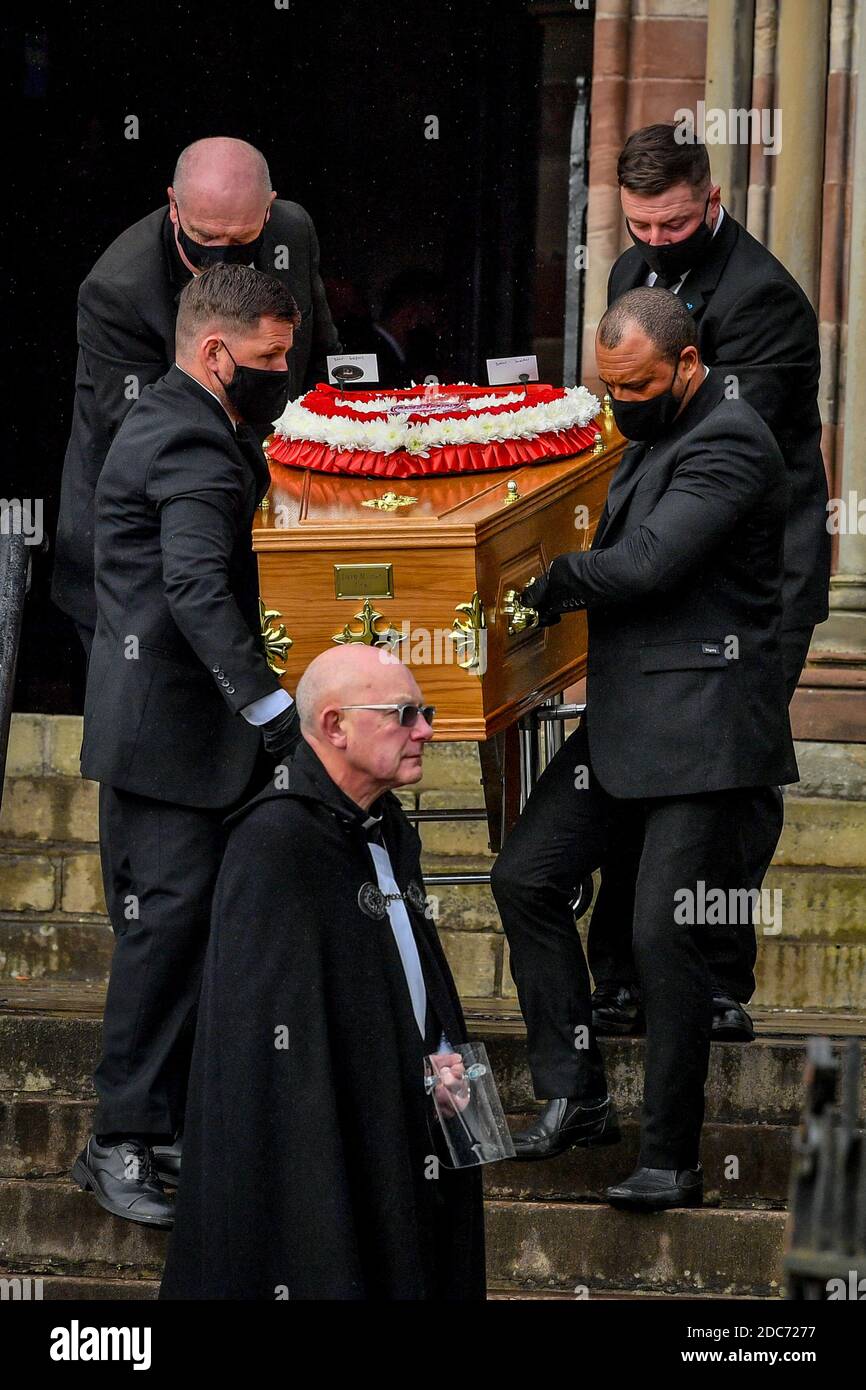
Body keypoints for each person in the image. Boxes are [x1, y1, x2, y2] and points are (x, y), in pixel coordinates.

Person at [490, 288, 797, 1211]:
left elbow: (653, 561)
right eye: (609, 385)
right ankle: (577, 1093)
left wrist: (548, 580)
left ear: (689, 367)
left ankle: (672, 1156)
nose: (620, 400)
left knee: (666, 936)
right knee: (525, 877)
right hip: (627, 720)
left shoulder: (730, 440)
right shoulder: (654, 435)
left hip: (705, 729)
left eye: (637, 384)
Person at [71, 264, 303, 1229]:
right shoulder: (195, 446)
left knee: (180, 931)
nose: (283, 371)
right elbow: (198, 591)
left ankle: (155, 1128)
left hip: (156, 736)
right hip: (175, 744)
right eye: (271, 356)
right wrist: (272, 712)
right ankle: (119, 1138)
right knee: (165, 936)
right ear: (218, 352)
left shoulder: (176, 421)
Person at [590, 123, 830, 1042]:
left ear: (712, 196)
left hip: (755, 580)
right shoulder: (629, 274)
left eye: (674, 222)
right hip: (664, 569)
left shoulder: (765, 298)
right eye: (640, 225)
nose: (655, 240)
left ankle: (717, 979)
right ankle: (624, 976)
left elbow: (721, 447)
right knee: (638, 765)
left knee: (730, 788)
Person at [159, 644, 486, 1300]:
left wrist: (438, 1054)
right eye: (403, 714)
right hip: (318, 1162)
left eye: (425, 711)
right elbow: (275, 1056)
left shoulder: (385, 827)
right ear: (335, 727)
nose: (425, 730)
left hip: (401, 1140)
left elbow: (403, 973)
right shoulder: (276, 841)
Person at [53, 136, 340, 653]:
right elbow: (149, 438)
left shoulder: (292, 232)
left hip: (269, 527)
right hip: (147, 547)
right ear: (174, 206)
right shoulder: (118, 289)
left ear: (269, 211)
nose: (220, 257)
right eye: (206, 236)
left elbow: (318, 361)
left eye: (242, 239)